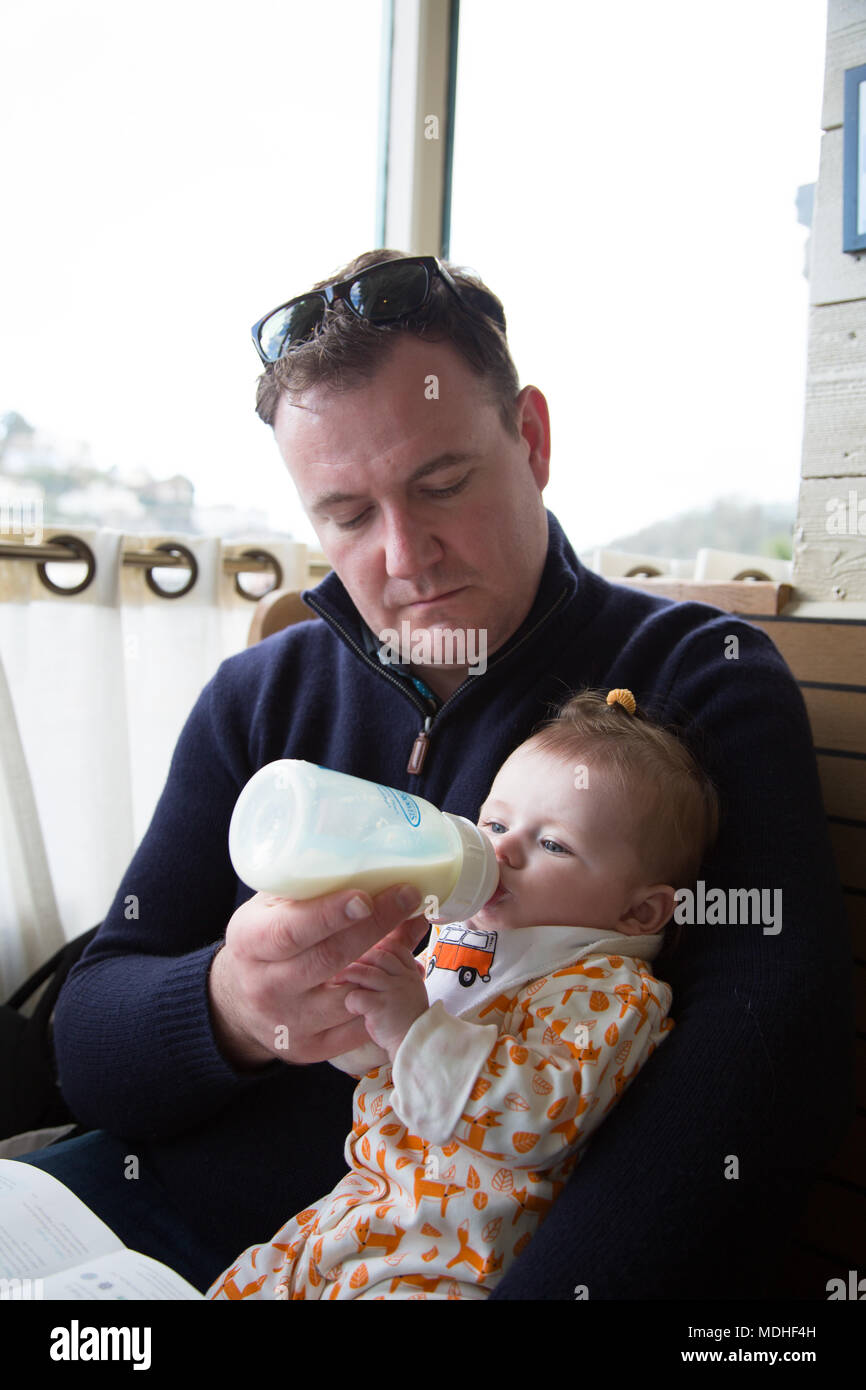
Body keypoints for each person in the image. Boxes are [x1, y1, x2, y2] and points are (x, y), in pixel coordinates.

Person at [17, 250, 853, 1300]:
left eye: (441, 484)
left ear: (532, 440)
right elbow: (87, 1044)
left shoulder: (691, 679)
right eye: (348, 517)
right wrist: (231, 1003)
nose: (405, 556)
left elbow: (767, 1075)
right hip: (139, 1218)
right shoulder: (260, 697)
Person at [207, 687, 719, 1300]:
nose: (501, 850)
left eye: (552, 843)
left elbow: (539, 1118)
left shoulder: (609, 992)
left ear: (639, 912)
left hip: (450, 1257)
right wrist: (359, 997)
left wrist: (410, 1025)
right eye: (495, 823)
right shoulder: (461, 935)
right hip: (358, 1210)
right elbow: (385, 1064)